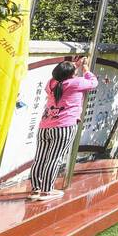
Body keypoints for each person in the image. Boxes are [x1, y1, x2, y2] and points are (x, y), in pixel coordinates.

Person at [32, 56, 98, 201]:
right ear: (71, 74)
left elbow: (61, 74)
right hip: (64, 126)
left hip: (45, 126)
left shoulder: (51, 83)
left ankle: (36, 189)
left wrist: (75, 65)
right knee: (54, 158)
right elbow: (93, 82)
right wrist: (85, 67)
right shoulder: (76, 83)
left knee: (40, 158)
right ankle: (46, 191)